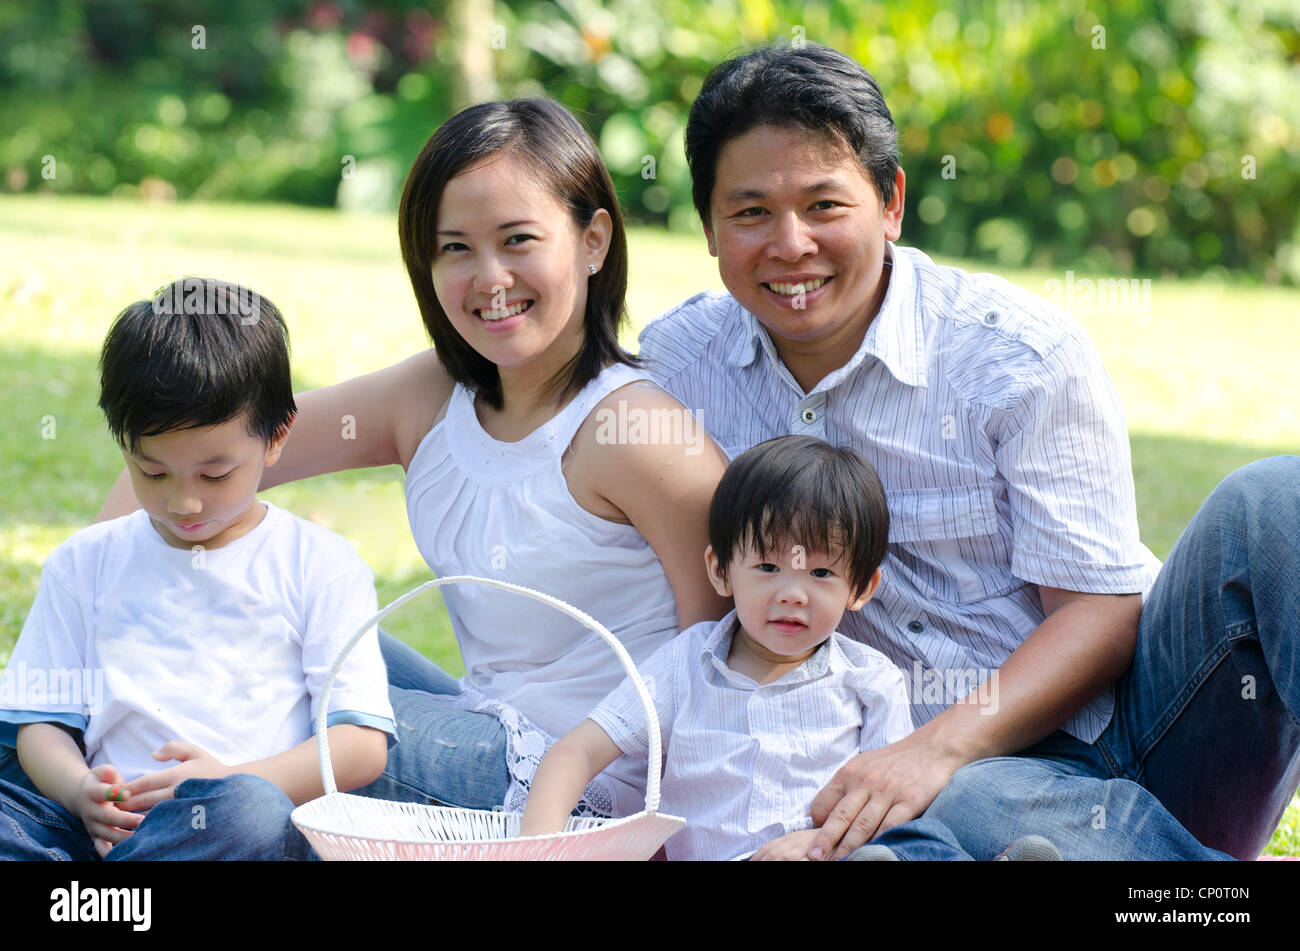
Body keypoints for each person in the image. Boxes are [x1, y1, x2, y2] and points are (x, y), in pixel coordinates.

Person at [637, 41, 1299, 860]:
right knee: (968, 819)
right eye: (749, 213)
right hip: (943, 794)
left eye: (824, 205)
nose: (791, 244)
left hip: (1138, 726)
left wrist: (940, 744)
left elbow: (1098, 607)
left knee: (1281, 501)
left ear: (891, 203)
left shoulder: (1015, 353)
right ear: (706, 226)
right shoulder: (679, 367)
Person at [92, 99, 729, 819]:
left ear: (593, 240)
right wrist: (95, 606)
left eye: (518, 239)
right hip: (476, 724)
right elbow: (210, 441)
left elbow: (723, 661)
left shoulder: (636, 431)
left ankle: (207, 792)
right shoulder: (429, 395)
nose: (489, 279)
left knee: (289, 697)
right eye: (455, 247)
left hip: (577, 786)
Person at [0, 278, 395, 860]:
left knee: (251, 811)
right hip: (106, 831)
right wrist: (80, 789)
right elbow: (40, 725)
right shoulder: (86, 562)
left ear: (277, 436)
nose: (184, 503)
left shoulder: (320, 565)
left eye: (215, 475)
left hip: (239, 830)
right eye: (152, 472)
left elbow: (360, 746)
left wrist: (227, 778)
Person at [520, 436, 914, 860]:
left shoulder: (870, 680)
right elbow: (577, 751)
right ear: (721, 570)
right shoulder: (686, 664)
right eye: (767, 567)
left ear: (859, 587)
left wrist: (821, 844)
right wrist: (538, 844)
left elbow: (887, 803)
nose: (793, 594)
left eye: (820, 572)